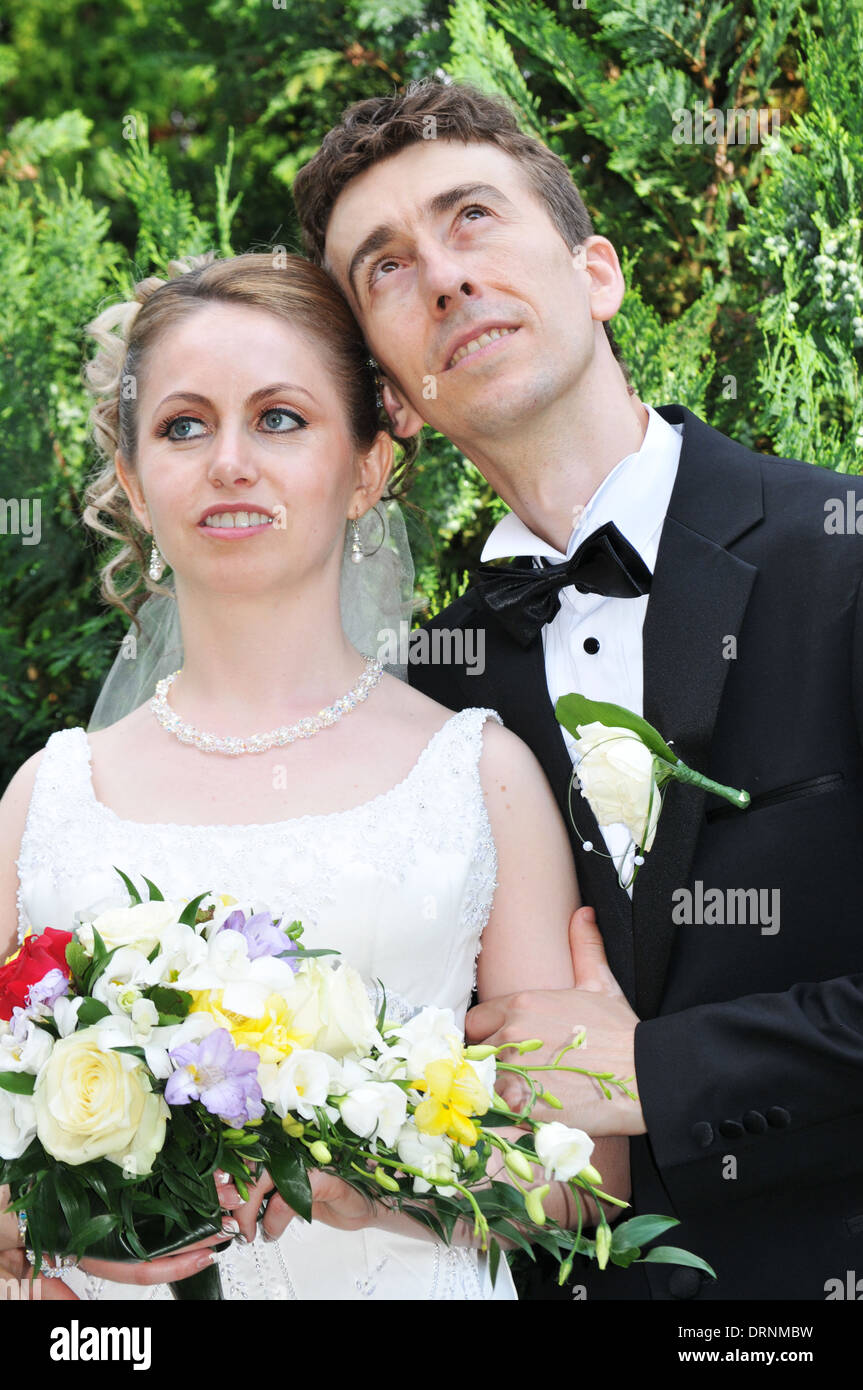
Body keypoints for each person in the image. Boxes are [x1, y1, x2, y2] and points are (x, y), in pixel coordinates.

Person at [291, 78, 863, 1301]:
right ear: (392, 392)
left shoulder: (844, 556)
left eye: (473, 217)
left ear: (595, 272)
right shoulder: (420, 712)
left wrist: (663, 1072)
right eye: (384, 268)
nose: (441, 276)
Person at [0, 251, 628, 1300]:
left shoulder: (478, 778)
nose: (229, 462)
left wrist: (372, 1189)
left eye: (280, 418)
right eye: (182, 426)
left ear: (367, 468)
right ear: (133, 484)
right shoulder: (49, 798)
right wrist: (36, 1230)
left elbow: (582, 1183)